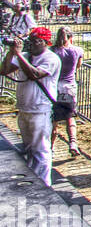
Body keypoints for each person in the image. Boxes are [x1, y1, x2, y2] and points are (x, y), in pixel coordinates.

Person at [1, 27, 60, 185]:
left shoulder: (51, 58)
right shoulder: (26, 56)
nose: (31, 45)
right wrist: (11, 52)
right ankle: (33, 180)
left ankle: (44, 184)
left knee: (40, 149)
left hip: (40, 109)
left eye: (34, 42)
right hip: (24, 108)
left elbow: (34, 75)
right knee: (29, 148)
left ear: (44, 42)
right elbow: (4, 70)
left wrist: (19, 55)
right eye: (30, 41)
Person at [48, 26, 83, 156]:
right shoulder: (77, 50)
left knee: (53, 119)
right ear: (71, 38)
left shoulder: (52, 51)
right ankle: (73, 143)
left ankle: (50, 146)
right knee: (70, 117)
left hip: (54, 88)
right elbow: (78, 67)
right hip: (69, 88)